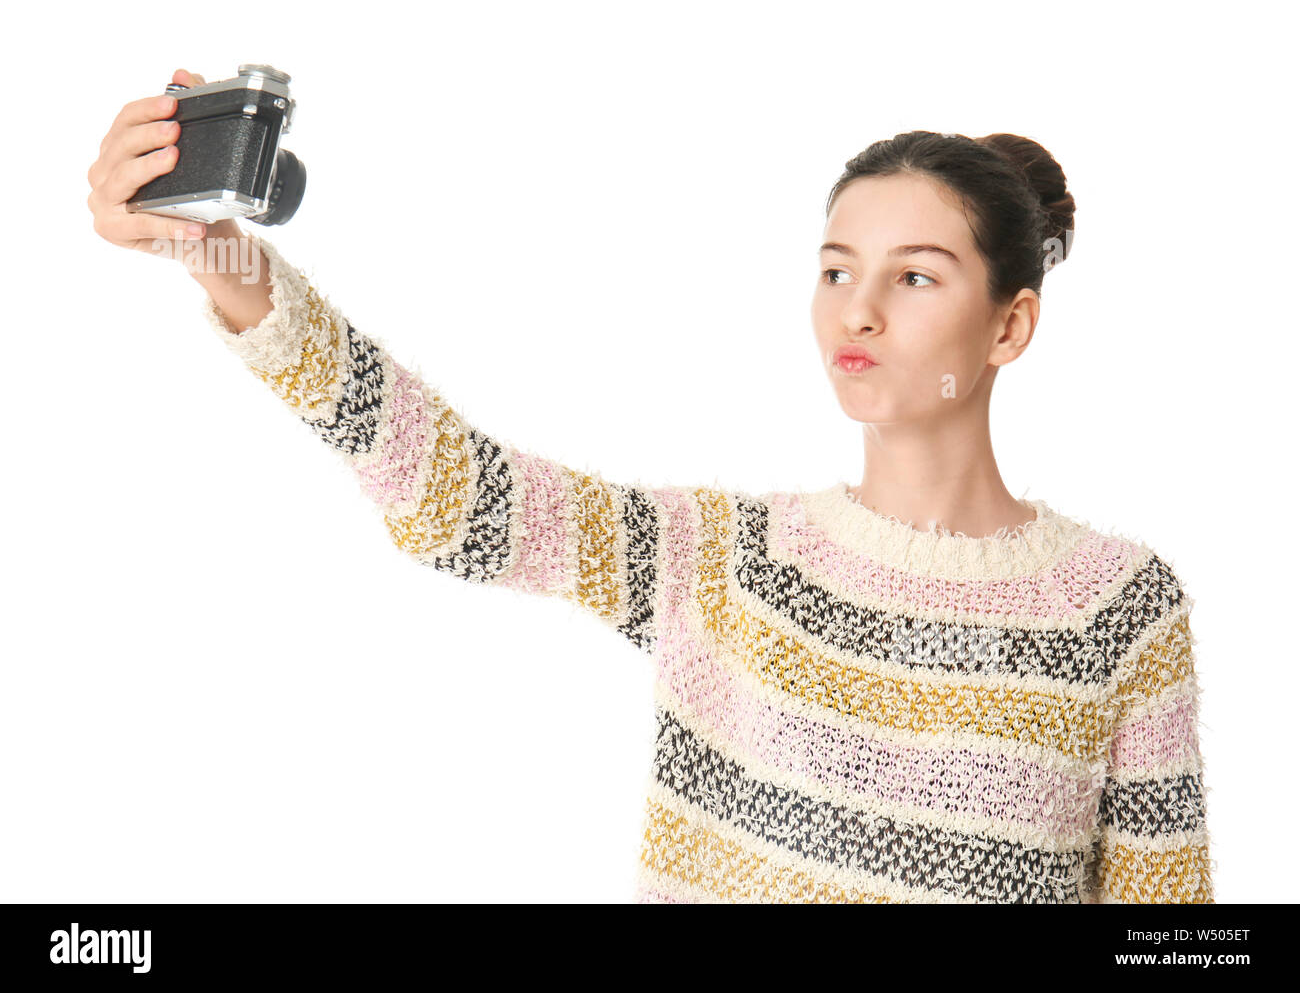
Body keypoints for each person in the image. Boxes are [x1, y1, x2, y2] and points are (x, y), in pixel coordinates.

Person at [85, 69, 1216, 903]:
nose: (856, 311)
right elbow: (456, 499)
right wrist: (213, 251)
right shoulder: (723, 560)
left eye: (914, 276)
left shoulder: (1116, 606)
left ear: (1010, 320)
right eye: (835, 271)